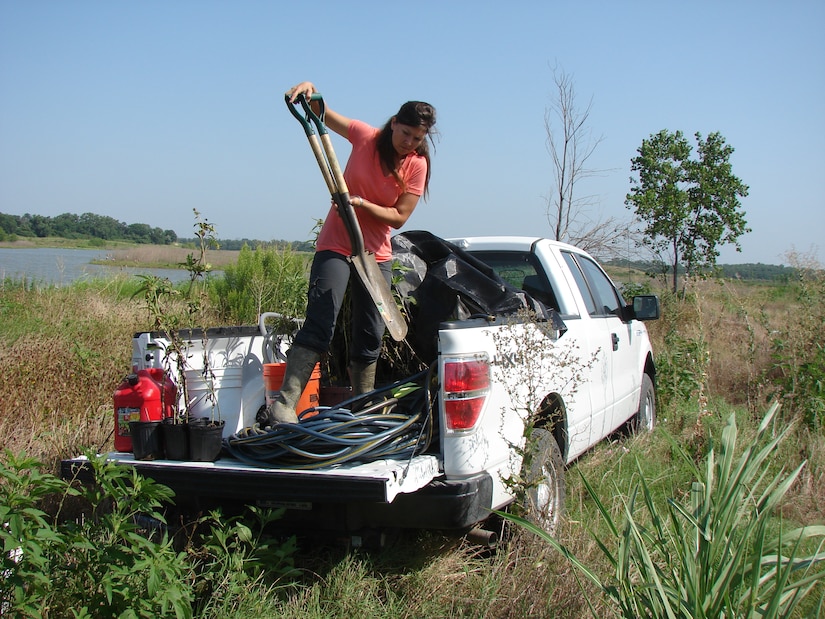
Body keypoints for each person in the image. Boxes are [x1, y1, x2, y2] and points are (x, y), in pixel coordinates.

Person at [262, 81, 437, 425]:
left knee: (370, 334)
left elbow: (399, 217)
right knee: (320, 322)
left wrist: (361, 203)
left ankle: (362, 408)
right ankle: (284, 404)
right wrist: (312, 92)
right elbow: (322, 114)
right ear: (393, 125)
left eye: (417, 139)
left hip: (375, 255)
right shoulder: (365, 137)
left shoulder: (416, 165)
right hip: (336, 245)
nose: (409, 144)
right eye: (405, 134)